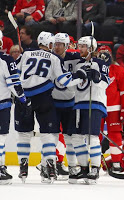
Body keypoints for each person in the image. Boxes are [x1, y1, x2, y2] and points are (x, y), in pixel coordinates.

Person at [15, 31, 85, 183]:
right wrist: (80, 76)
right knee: (49, 133)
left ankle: (23, 168)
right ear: (50, 44)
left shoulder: (26, 54)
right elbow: (64, 80)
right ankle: (51, 165)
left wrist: (19, 94)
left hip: (23, 97)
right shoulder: (54, 58)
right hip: (44, 98)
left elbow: (15, 75)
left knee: (24, 134)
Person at [69, 36, 109, 184]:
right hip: (79, 104)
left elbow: (106, 83)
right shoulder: (79, 64)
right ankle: (84, 168)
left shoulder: (99, 63)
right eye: (79, 46)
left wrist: (97, 77)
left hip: (94, 103)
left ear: (91, 48)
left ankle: (95, 168)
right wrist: (76, 77)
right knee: (76, 137)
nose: (80, 49)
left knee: (92, 137)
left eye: (83, 46)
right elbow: (71, 85)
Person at [0, 37, 29, 184]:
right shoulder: (6, 60)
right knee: (1, 138)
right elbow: (14, 82)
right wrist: (22, 97)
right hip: (2, 104)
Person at [52, 32, 81, 180]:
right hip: (54, 103)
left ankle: (72, 167)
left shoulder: (75, 57)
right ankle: (50, 165)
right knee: (52, 136)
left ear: (66, 46)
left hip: (70, 103)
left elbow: (87, 59)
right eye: (55, 44)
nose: (57, 47)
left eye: (60, 44)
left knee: (70, 137)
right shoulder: (50, 58)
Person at [97, 45, 124, 171]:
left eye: (106, 53)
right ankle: (95, 162)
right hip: (97, 106)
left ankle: (116, 162)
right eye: (101, 53)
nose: (104, 55)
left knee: (115, 134)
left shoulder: (118, 70)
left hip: (114, 109)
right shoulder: (94, 68)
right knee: (95, 135)